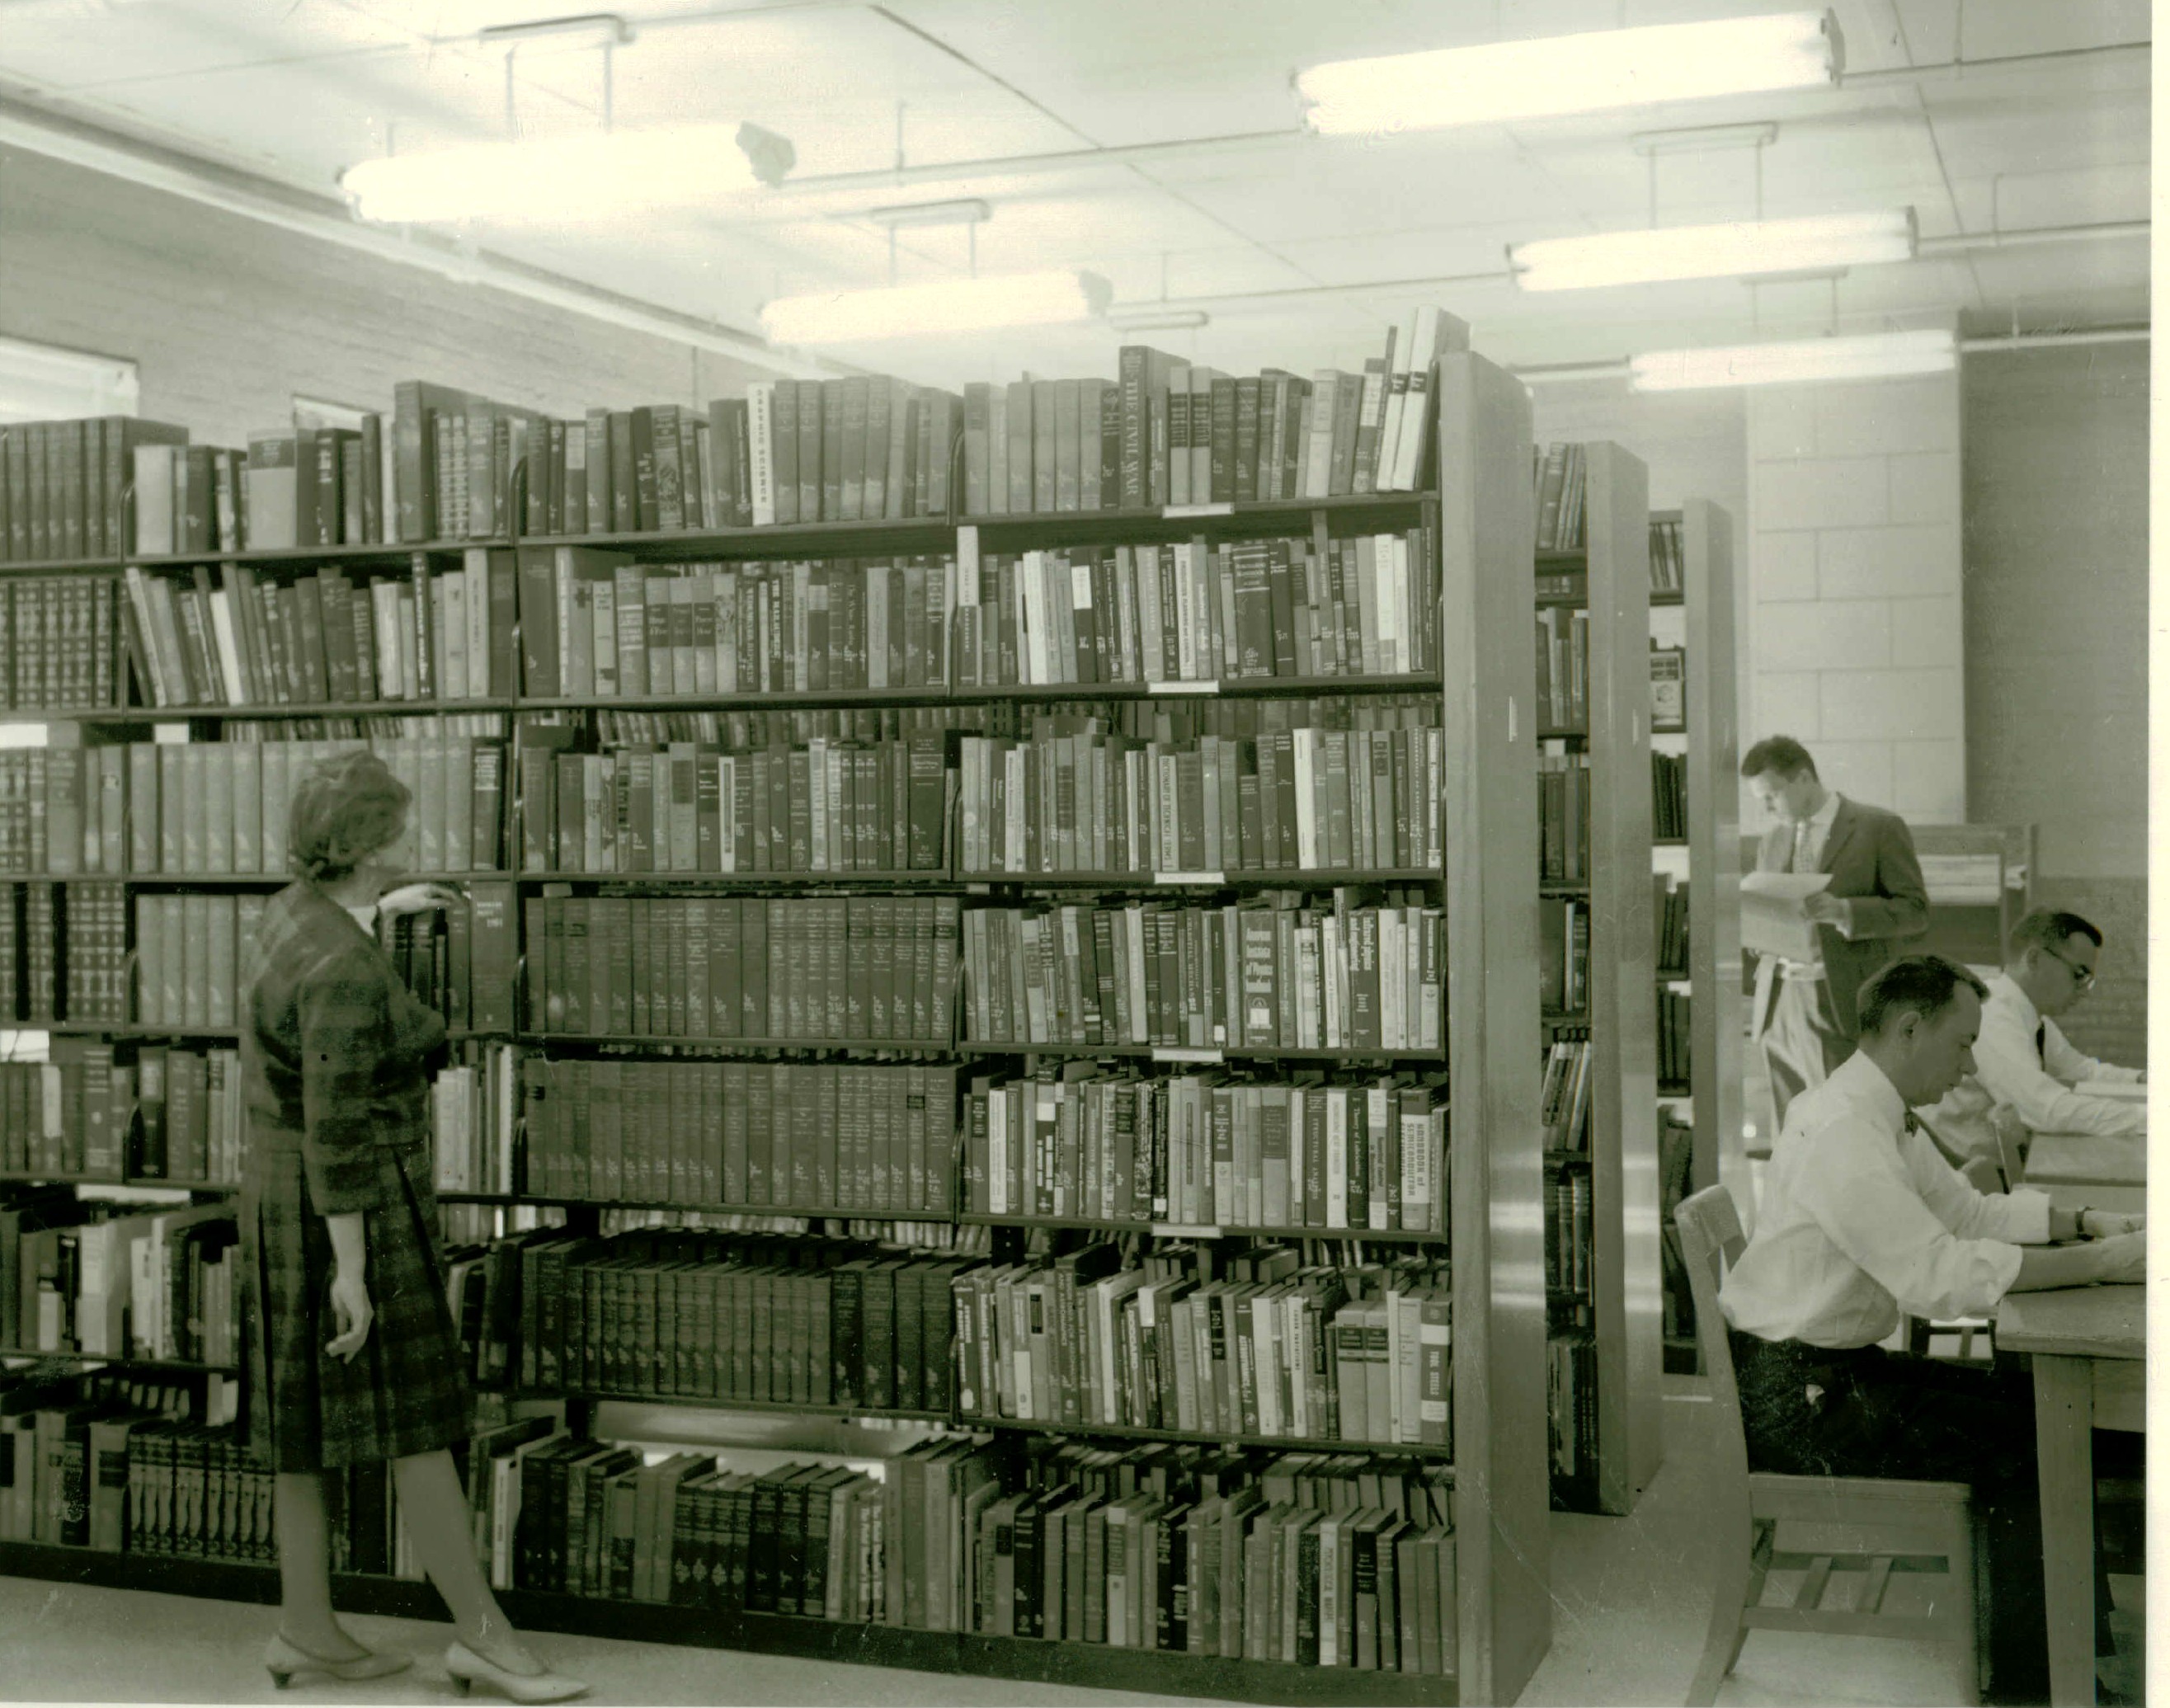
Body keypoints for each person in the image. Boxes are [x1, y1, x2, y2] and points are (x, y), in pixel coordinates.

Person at [239, 751, 586, 1703]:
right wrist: (351, 1269)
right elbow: (340, 1126)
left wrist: (379, 911)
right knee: (420, 1425)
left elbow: (311, 1049)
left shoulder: (291, 914)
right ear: (366, 845)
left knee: (300, 1428)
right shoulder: (349, 971)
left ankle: (306, 1628)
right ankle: (482, 1637)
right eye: (396, 832)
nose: (411, 841)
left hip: (276, 1192)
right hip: (349, 1207)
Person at [1720, 953, 2145, 1703]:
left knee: (2043, 1415)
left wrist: (2085, 1222)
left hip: (1831, 1370)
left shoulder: (1875, 1109)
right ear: (1910, 1029)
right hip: (1797, 1399)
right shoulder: (1845, 1133)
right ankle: (2036, 1685)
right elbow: (1938, 1278)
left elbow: (1968, 1213)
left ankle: (2064, 1654)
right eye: (1961, 1043)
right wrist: (2100, 1263)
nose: (1970, 1066)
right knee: (2041, 1438)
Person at [1741, 736, 1927, 1124]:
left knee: (1843, 1125)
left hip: (1840, 999)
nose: (1766, 808)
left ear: (1804, 778)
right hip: (1778, 1003)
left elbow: (1915, 911)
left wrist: (1845, 911)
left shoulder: (1878, 827)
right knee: (1791, 1131)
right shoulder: (1773, 839)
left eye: (1772, 795)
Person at [1922, 909, 2144, 1174]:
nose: (2084, 991)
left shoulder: (2030, 1017)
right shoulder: (1991, 1016)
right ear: (2035, 959)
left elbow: (2084, 1071)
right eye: (2079, 974)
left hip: (1992, 1168)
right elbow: (2046, 1109)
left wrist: (2143, 1079)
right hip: (1963, 1176)